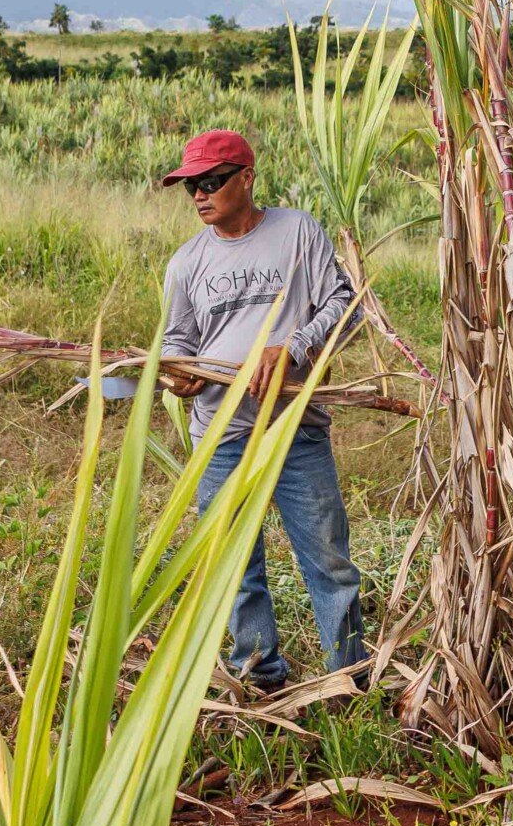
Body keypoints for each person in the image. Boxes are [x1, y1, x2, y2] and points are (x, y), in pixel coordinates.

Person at [157, 127, 370, 694]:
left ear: (246, 178)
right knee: (233, 566)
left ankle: (349, 676)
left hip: (294, 428)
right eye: (190, 187)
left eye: (211, 181)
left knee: (328, 561)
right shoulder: (186, 264)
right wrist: (178, 371)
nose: (200, 195)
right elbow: (178, 338)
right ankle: (257, 674)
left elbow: (346, 305)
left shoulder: (297, 233)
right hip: (221, 434)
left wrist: (294, 348)